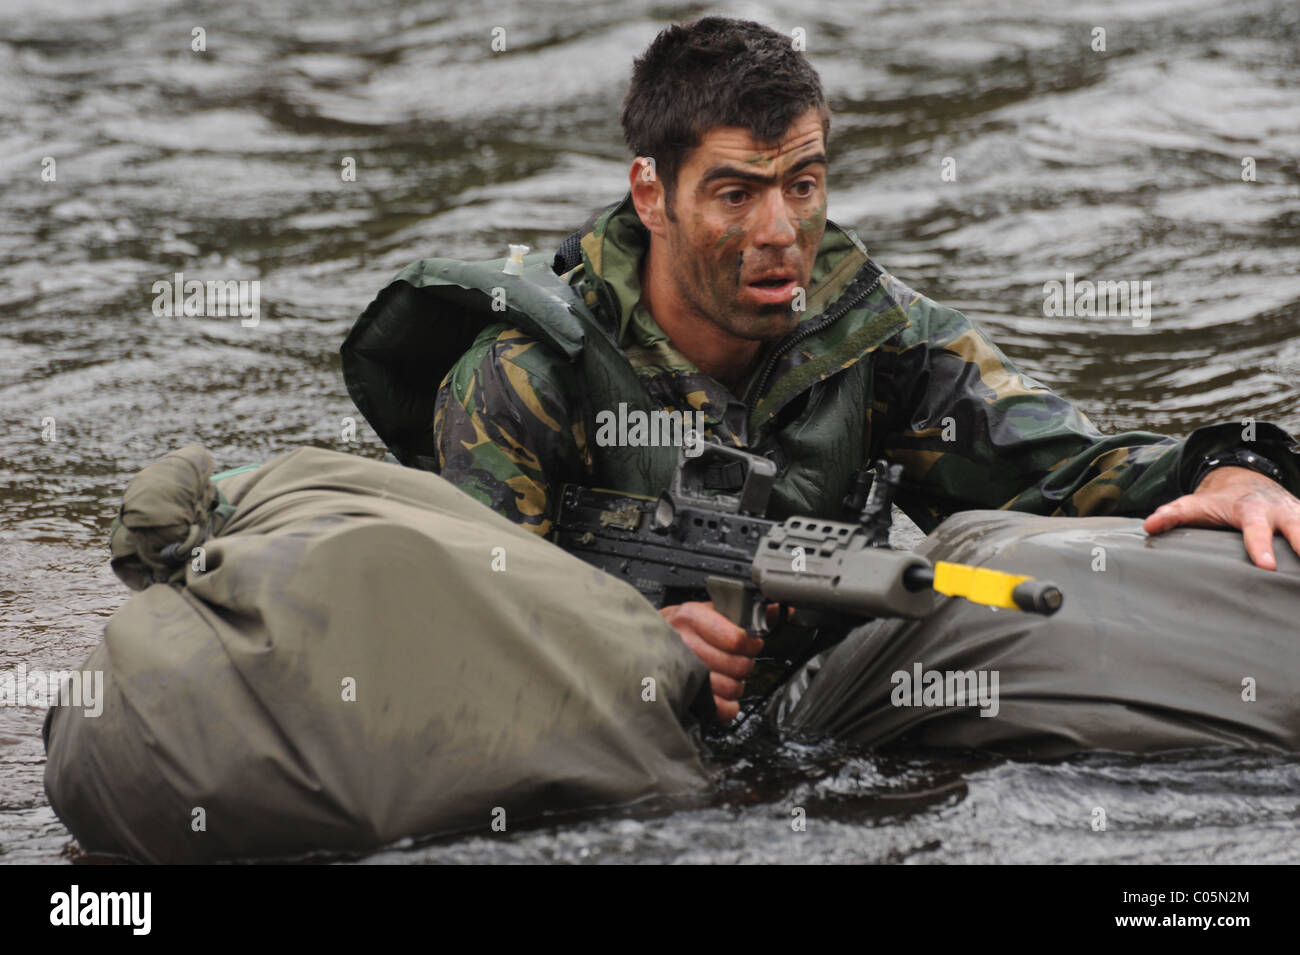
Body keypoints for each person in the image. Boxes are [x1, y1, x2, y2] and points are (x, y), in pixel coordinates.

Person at [415, 18, 1300, 721]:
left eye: (802, 184)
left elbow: (1063, 473)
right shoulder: (520, 374)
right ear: (651, 195)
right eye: (736, 194)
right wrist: (623, 650)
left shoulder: (878, 340)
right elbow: (465, 631)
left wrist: (1234, 465)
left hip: (815, 721)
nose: (779, 232)